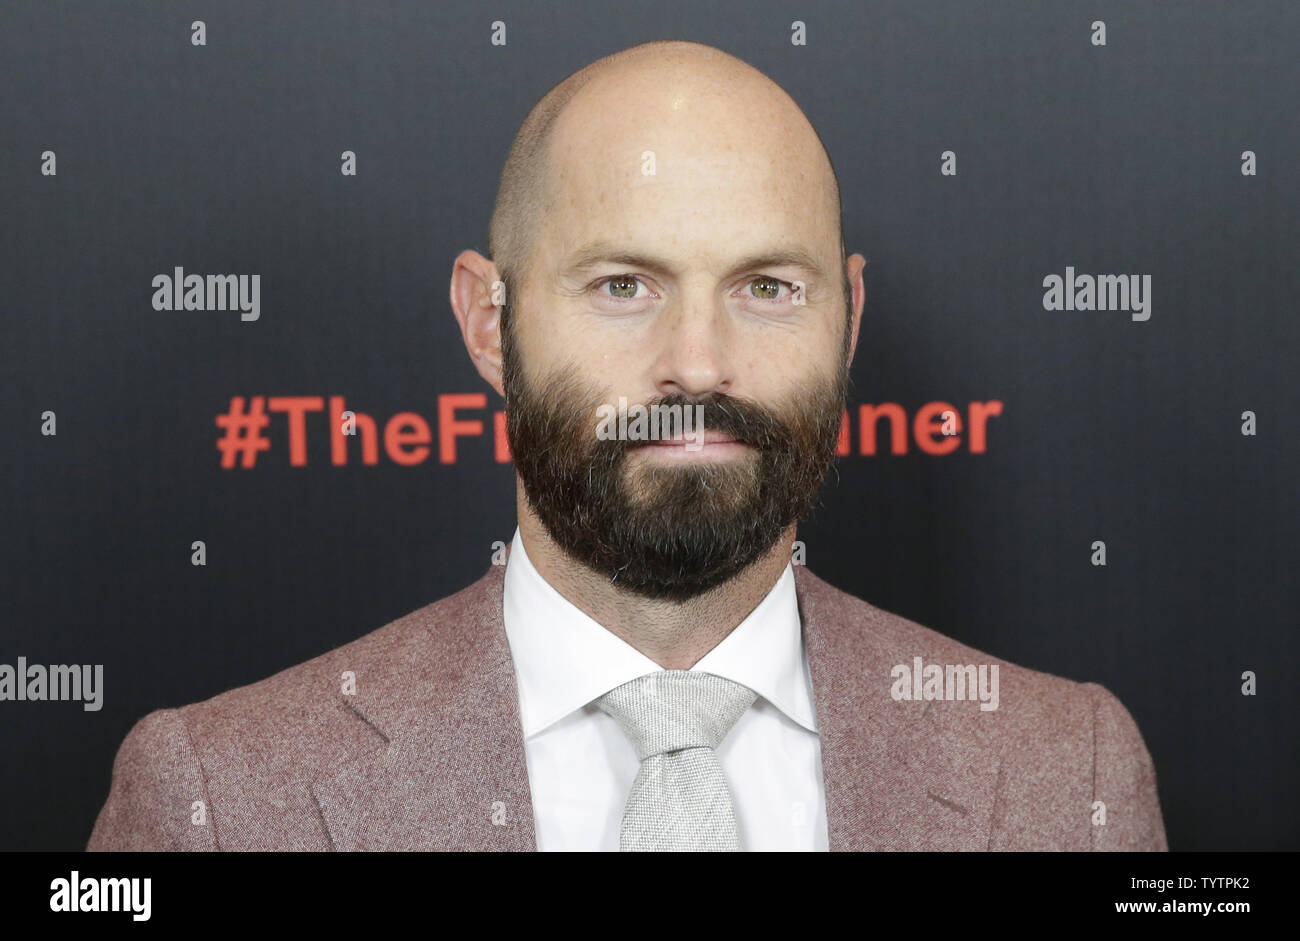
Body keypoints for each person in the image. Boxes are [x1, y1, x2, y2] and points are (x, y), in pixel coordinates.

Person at [88, 39, 1166, 852]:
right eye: (621, 285)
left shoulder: (1062, 773)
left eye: (766, 287)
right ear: (485, 319)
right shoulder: (219, 799)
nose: (696, 364)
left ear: (847, 318)